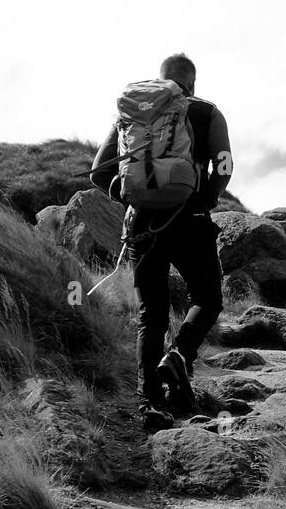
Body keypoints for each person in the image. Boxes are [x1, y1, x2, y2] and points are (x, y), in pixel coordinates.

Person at [90, 52, 233, 430]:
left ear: (161, 79)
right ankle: (180, 356)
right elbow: (224, 163)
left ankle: (150, 404)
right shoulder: (205, 111)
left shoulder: (135, 113)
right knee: (207, 298)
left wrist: (131, 197)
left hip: (142, 226)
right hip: (190, 220)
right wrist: (205, 199)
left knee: (151, 314)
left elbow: (98, 171)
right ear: (193, 83)